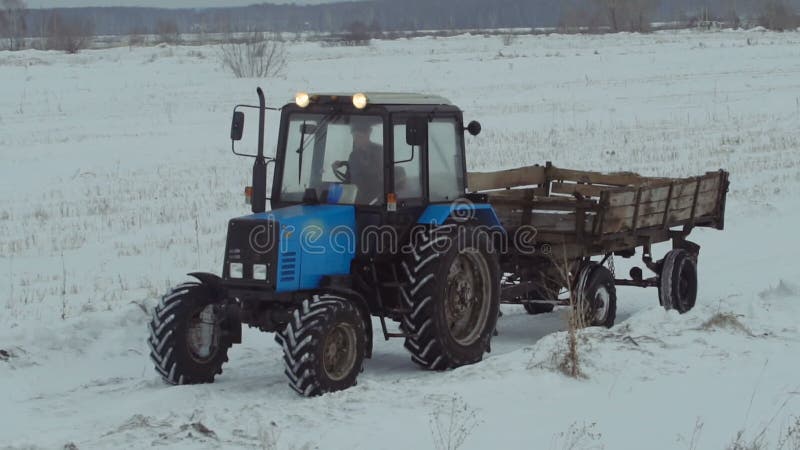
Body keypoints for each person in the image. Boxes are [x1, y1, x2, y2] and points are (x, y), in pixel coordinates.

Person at [332, 120, 383, 204]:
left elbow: (380, 174)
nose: (356, 140)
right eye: (354, 136)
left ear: (367, 135)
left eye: (359, 136)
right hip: (356, 196)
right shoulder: (354, 155)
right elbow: (349, 177)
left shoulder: (379, 151)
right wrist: (339, 166)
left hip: (375, 199)